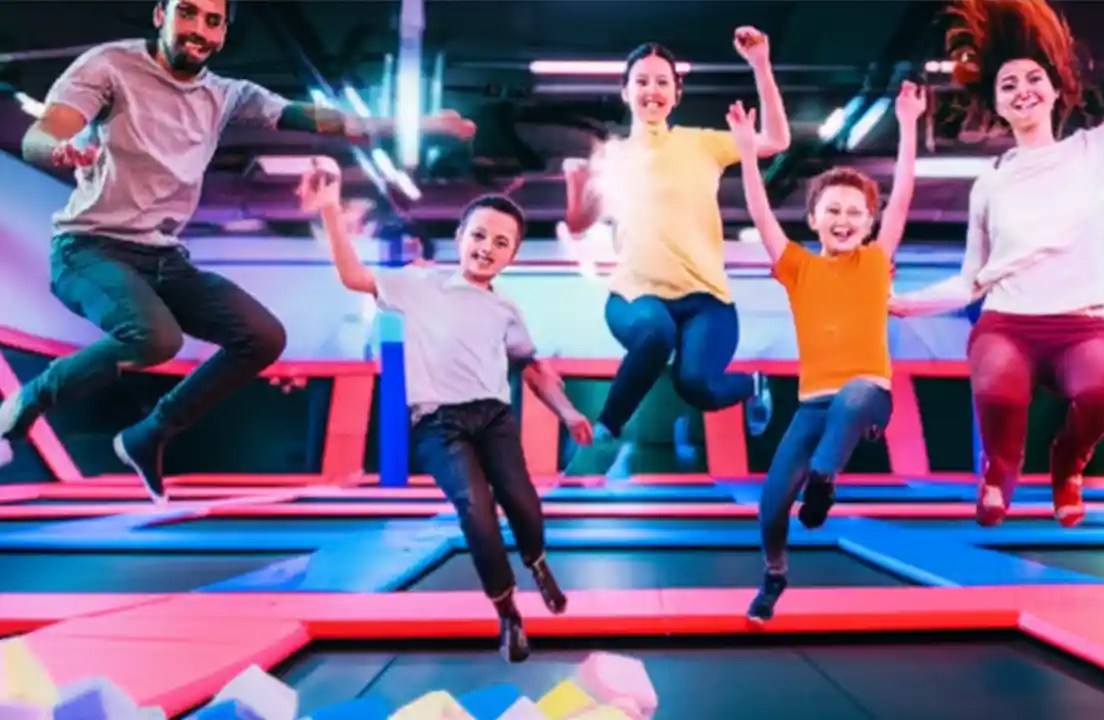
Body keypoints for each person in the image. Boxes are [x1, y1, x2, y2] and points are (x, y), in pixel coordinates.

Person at [0, 0, 474, 500]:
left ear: (223, 33)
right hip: (88, 247)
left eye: (212, 21)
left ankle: (149, 433)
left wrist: (417, 125)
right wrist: (58, 149)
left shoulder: (226, 96)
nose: (198, 30)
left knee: (262, 337)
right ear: (161, 16)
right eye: (188, 14)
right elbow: (43, 131)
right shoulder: (109, 65)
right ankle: (25, 403)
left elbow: (326, 120)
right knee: (154, 338)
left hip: (161, 256)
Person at [889, 0, 1104, 528]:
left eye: (1034, 78)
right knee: (997, 387)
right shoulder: (990, 183)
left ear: (1055, 90)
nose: (1022, 89)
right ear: (997, 103)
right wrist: (902, 305)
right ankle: (1000, 469)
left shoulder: (1102, 149)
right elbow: (970, 280)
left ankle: (1068, 461)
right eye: (1008, 85)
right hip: (1007, 324)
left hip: (1079, 326)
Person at [297, 160, 594, 663]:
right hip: (438, 424)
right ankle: (508, 616)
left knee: (523, 503)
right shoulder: (417, 284)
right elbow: (352, 275)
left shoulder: (507, 310)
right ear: (460, 237)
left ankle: (538, 563)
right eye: (479, 236)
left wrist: (566, 412)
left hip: (494, 419)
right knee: (476, 512)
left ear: (513, 255)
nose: (487, 249)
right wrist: (329, 211)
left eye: (502, 244)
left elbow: (532, 368)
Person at [726, 82, 927, 624]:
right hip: (814, 407)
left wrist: (908, 123)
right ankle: (774, 574)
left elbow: (904, 195)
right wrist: (747, 149)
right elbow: (759, 209)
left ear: (868, 223)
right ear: (813, 218)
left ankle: (823, 481)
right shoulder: (798, 268)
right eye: (832, 210)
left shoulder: (875, 261)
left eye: (856, 213)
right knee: (770, 506)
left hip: (870, 401)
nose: (844, 219)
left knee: (858, 391)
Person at [560, 28, 792, 480]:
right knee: (654, 334)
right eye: (642, 81)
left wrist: (761, 65)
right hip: (635, 294)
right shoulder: (611, 156)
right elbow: (579, 223)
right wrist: (577, 182)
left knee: (698, 386)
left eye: (662, 82)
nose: (652, 91)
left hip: (706, 299)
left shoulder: (701, 143)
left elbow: (777, 140)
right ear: (626, 92)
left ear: (676, 93)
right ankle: (604, 434)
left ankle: (752, 385)